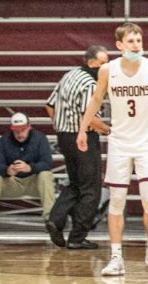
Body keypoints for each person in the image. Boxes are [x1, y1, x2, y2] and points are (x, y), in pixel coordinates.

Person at [77, 21, 148, 277]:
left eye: (139, 40)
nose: (136, 45)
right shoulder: (107, 70)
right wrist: (82, 129)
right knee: (116, 201)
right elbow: (96, 100)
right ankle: (116, 257)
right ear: (120, 45)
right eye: (131, 41)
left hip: (146, 142)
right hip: (119, 142)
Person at [46, 45, 111, 250]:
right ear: (91, 63)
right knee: (91, 188)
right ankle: (77, 236)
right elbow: (88, 117)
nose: (106, 68)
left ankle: (55, 219)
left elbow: (49, 105)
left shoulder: (69, 75)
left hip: (64, 135)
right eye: (103, 64)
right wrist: (109, 130)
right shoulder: (91, 84)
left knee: (75, 183)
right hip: (83, 137)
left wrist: (61, 126)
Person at [0, 112, 56, 233]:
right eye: (16, 131)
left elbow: (47, 163)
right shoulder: (3, 141)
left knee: (45, 175)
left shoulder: (40, 138)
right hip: (12, 182)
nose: (19, 134)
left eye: (22, 130)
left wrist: (30, 168)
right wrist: (7, 170)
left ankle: (50, 220)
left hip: (35, 182)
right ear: (12, 129)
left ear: (29, 127)